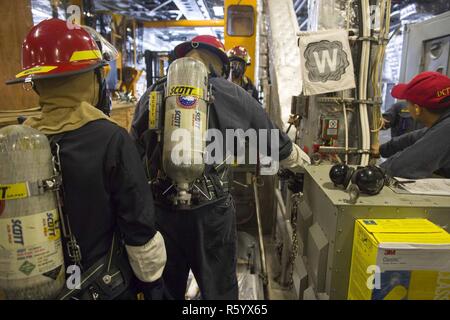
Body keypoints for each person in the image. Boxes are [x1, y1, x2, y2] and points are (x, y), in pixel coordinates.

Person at [131, 35, 310, 300]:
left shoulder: (153, 94)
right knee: (219, 291)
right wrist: (302, 162)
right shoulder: (232, 93)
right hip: (212, 213)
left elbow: (133, 155)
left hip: (163, 211)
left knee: (167, 289)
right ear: (219, 62)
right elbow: (275, 143)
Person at [6, 19, 166, 300]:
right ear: (89, 80)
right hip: (103, 288)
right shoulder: (111, 140)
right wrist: (153, 286)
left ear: (38, 83)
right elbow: (138, 226)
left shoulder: (15, 146)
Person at [379, 71, 450, 179]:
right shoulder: (442, 124)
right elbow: (414, 137)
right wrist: (381, 149)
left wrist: (373, 173)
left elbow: (405, 166)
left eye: (407, 102)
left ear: (417, 109)